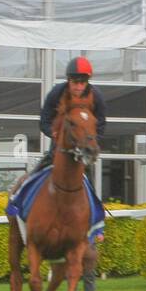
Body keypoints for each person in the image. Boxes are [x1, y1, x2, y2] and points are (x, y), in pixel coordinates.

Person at [9, 56, 108, 195]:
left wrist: (91, 141)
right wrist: (54, 134)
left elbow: (101, 123)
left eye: (83, 82)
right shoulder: (57, 92)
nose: (79, 86)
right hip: (60, 143)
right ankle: (17, 197)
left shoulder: (96, 96)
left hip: (85, 146)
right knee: (37, 171)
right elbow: (44, 120)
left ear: (87, 82)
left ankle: (97, 213)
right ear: (69, 80)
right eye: (75, 82)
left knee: (89, 185)